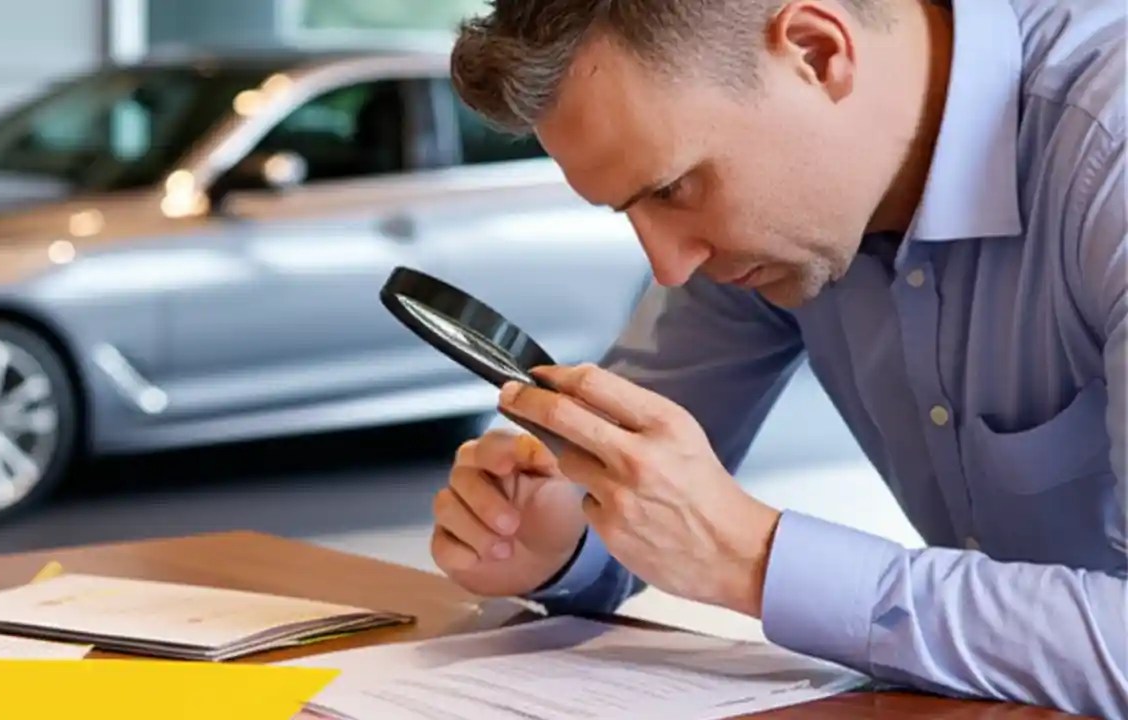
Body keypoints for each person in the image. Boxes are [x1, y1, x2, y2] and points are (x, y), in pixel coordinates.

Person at [429, 0, 1127, 716]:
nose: (669, 266)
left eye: (672, 189)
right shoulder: (764, 238)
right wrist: (561, 532)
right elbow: (643, 496)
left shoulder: (1112, 151)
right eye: (630, 211)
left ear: (818, 52)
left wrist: (757, 560)